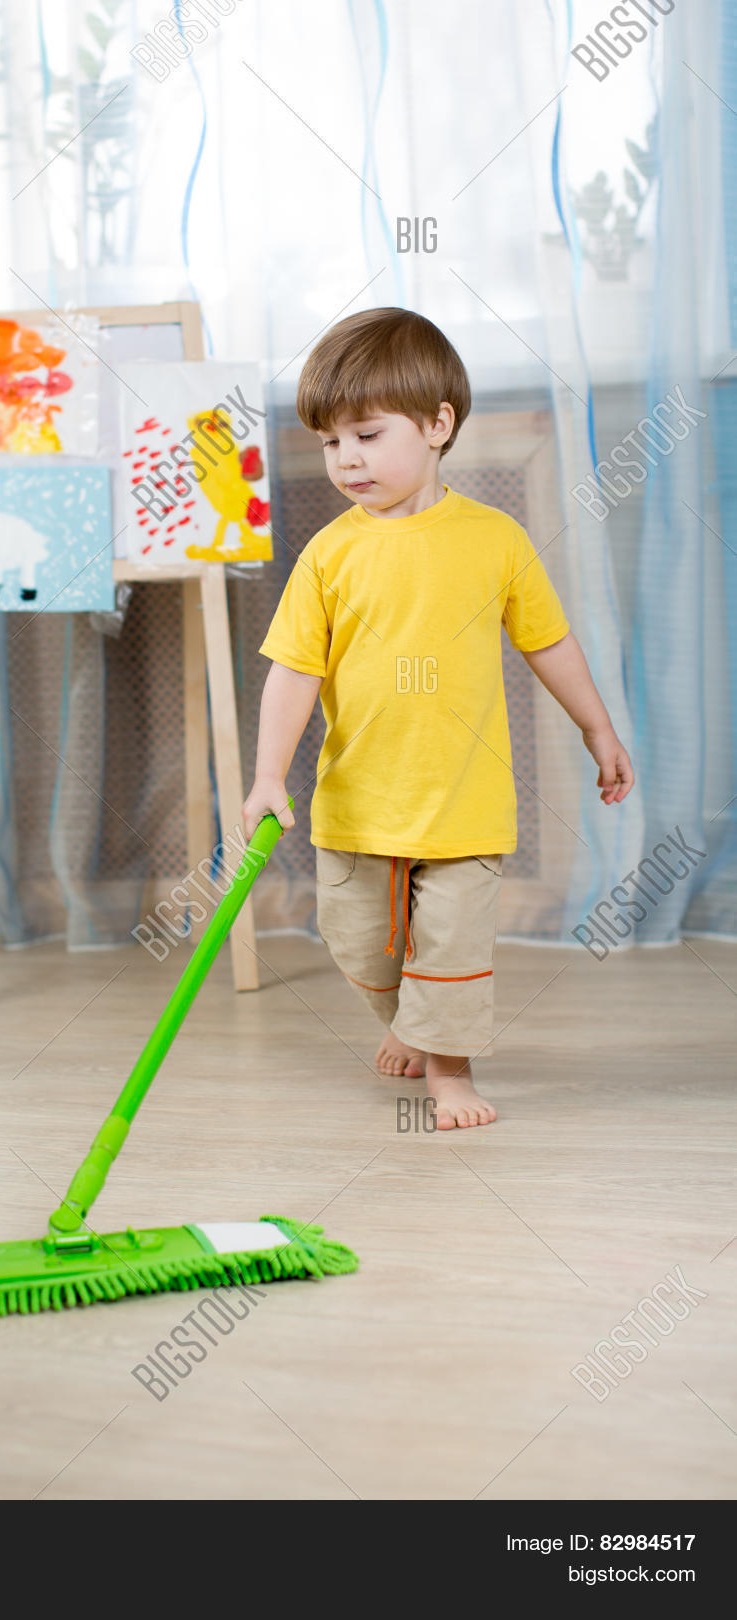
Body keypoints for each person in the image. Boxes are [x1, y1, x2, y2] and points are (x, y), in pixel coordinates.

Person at [242, 308, 634, 1129]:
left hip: (462, 803)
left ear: (436, 424)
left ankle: (447, 1071)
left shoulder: (494, 539)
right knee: (358, 945)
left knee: (450, 947)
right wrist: (267, 775)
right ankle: (410, 1026)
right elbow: (292, 673)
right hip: (356, 807)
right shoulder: (327, 555)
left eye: (366, 435)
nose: (345, 458)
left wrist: (596, 728)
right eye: (330, 442)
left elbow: (549, 644)